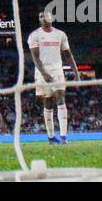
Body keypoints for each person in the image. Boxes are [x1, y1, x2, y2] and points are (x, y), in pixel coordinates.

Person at [28, 11, 78, 144]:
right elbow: (35, 57)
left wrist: (76, 73)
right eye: (40, 16)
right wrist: (44, 73)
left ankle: (63, 137)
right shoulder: (34, 36)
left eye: (45, 16)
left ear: (52, 18)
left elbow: (68, 55)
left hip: (57, 71)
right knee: (48, 102)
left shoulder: (60, 34)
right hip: (41, 72)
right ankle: (51, 137)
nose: (42, 18)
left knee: (61, 98)